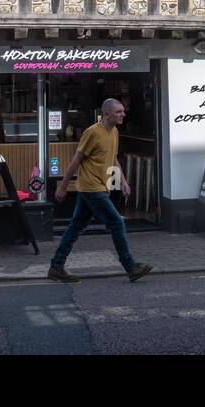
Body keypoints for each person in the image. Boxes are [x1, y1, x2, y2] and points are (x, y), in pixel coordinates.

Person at [48, 98, 152, 283]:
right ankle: (130, 267)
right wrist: (62, 187)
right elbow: (75, 161)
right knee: (116, 223)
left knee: (75, 227)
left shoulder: (114, 132)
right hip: (90, 187)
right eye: (119, 112)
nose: (123, 114)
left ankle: (56, 266)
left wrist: (123, 181)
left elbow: (113, 159)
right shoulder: (92, 133)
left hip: (100, 187)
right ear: (107, 114)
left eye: (122, 111)